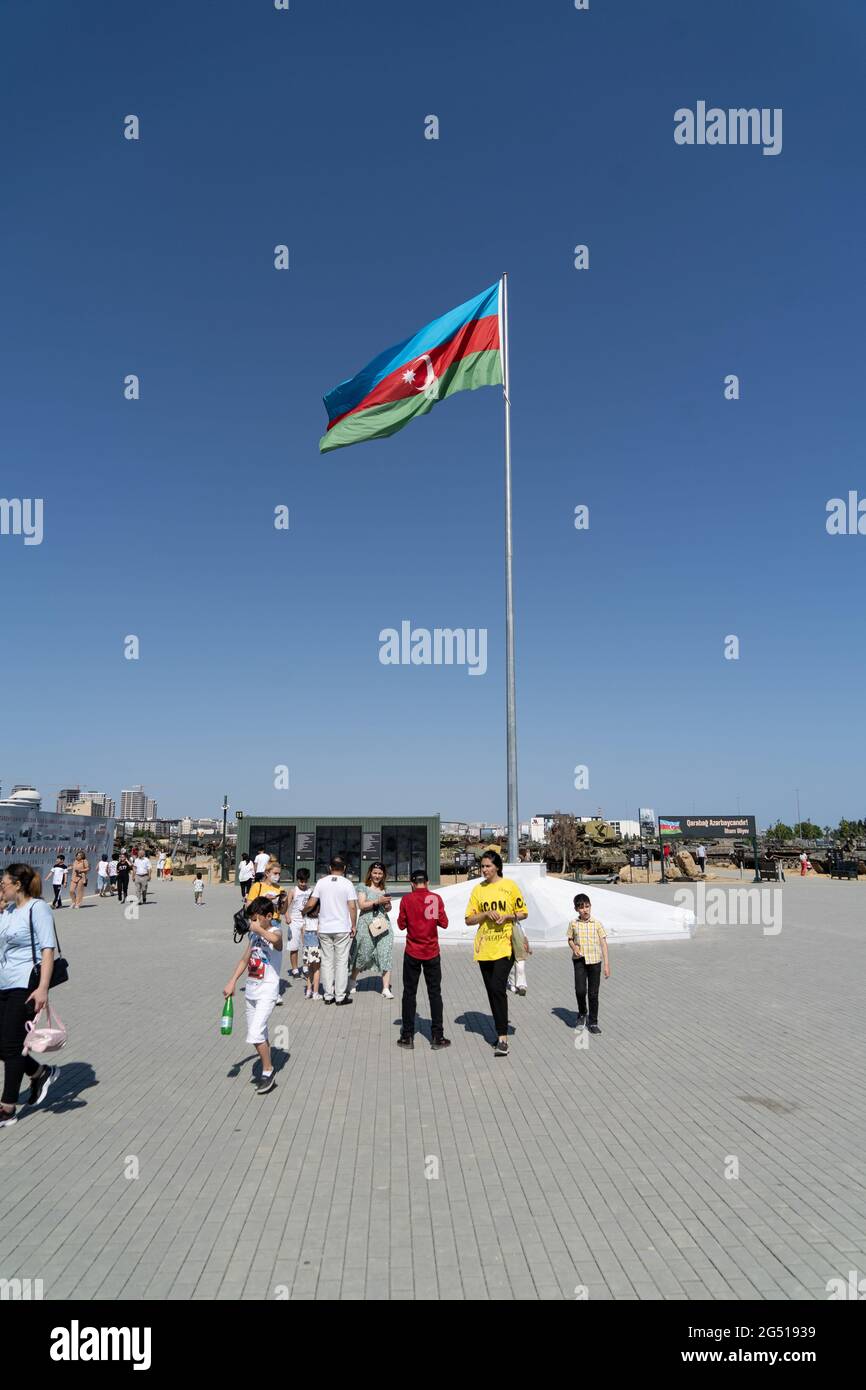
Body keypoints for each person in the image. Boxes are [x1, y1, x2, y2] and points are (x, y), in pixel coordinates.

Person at [0, 864, 59, 1127]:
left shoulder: (38, 908)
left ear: (17, 884)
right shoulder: (9, 910)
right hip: (2, 982)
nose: (1, 887)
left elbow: (48, 949)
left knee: (12, 1047)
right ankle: (40, 1072)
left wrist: (43, 987)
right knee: (3, 1045)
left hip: (25, 985)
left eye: (4, 883)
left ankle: (7, 1107)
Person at [464, 851, 527, 1058]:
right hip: (484, 948)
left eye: (488, 866)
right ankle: (499, 1026)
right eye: (482, 866)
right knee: (492, 991)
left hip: (505, 945)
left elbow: (523, 912)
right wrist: (484, 914)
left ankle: (502, 1038)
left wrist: (507, 916)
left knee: (497, 987)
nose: (484, 870)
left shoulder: (509, 886)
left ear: (497, 867)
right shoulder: (477, 889)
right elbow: (469, 919)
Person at [223, 898, 282, 1095]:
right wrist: (232, 981)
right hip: (251, 990)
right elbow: (244, 960)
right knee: (260, 1032)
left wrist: (257, 929)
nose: (253, 922)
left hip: (267, 990)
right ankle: (268, 1064)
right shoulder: (253, 937)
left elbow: (277, 942)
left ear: (268, 917)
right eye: (252, 919)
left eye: (257, 919)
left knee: (255, 1033)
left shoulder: (275, 931)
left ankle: (268, 1071)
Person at [396, 868, 450, 1049]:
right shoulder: (435, 899)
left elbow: (401, 925)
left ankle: (407, 1036)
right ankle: (437, 1036)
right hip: (432, 951)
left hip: (412, 951)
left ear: (411, 883)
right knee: (435, 993)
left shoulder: (406, 899)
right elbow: (444, 923)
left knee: (409, 993)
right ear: (427, 882)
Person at [305, 856, 357, 1005]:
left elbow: (311, 903)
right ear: (345, 868)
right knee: (341, 962)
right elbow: (352, 907)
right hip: (342, 928)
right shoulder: (347, 883)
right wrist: (353, 925)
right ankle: (340, 996)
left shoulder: (321, 882)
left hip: (324, 928)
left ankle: (328, 995)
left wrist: (302, 911)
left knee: (327, 961)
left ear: (329, 868)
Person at [246, 862, 290, 1003]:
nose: (277, 876)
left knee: (274, 959)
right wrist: (265, 900)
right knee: (258, 956)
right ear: (267, 873)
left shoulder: (280, 889)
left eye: (279, 873)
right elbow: (249, 906)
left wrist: (285, 902)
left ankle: (274, 991)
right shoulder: (257, 886)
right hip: (259, 923)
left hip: (274, 924)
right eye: (275, 873)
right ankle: (256, 985)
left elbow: (282, 912)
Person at [349, 861, 394, 999]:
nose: (377, 876)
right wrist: (377, 901)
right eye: (375, 873)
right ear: (370, 873)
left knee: (385, 953)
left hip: (383, 925)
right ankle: (352, 980)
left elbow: (388, 908)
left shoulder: (383, 889)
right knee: (363, 954)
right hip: (366, 925)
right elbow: (361, 905)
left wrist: (387, 905)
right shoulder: (363, 887)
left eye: (380, 873)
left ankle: (386, 988)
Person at [568, 893, 610, 1034]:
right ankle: (582, 1013)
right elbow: (570, 939)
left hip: (595, 962)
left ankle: (593, 1022)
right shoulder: (573, 924)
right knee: (580, 990)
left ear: (590, 907)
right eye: (581, 907)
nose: (585, 910)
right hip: (579, 961)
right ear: (576, 909)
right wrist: (574, 947)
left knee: (593, 994)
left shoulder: (597, 923)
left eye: (587, 906)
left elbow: (603, 943)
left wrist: (606, 965)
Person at [285, 868, 311, 978]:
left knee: (307, 946)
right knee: (294, 946)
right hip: (294, 920)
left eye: (305, 881)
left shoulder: (310, 891)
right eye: (301, 881)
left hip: (306, 921)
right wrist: (287, 916)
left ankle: (305, 967)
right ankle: (295, 969)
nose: (303, 884)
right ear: (297, 880)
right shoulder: (293, 890)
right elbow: (286, 905)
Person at [301, 897, 322, 999]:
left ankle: (308, 991)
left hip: (307, 944)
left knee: (309, 969)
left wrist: (304, 944)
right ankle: (316, 992)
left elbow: (303, 931)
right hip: (316, 944)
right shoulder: (319, 917)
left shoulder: (305, 915)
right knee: (317, 969)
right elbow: (318, 932)